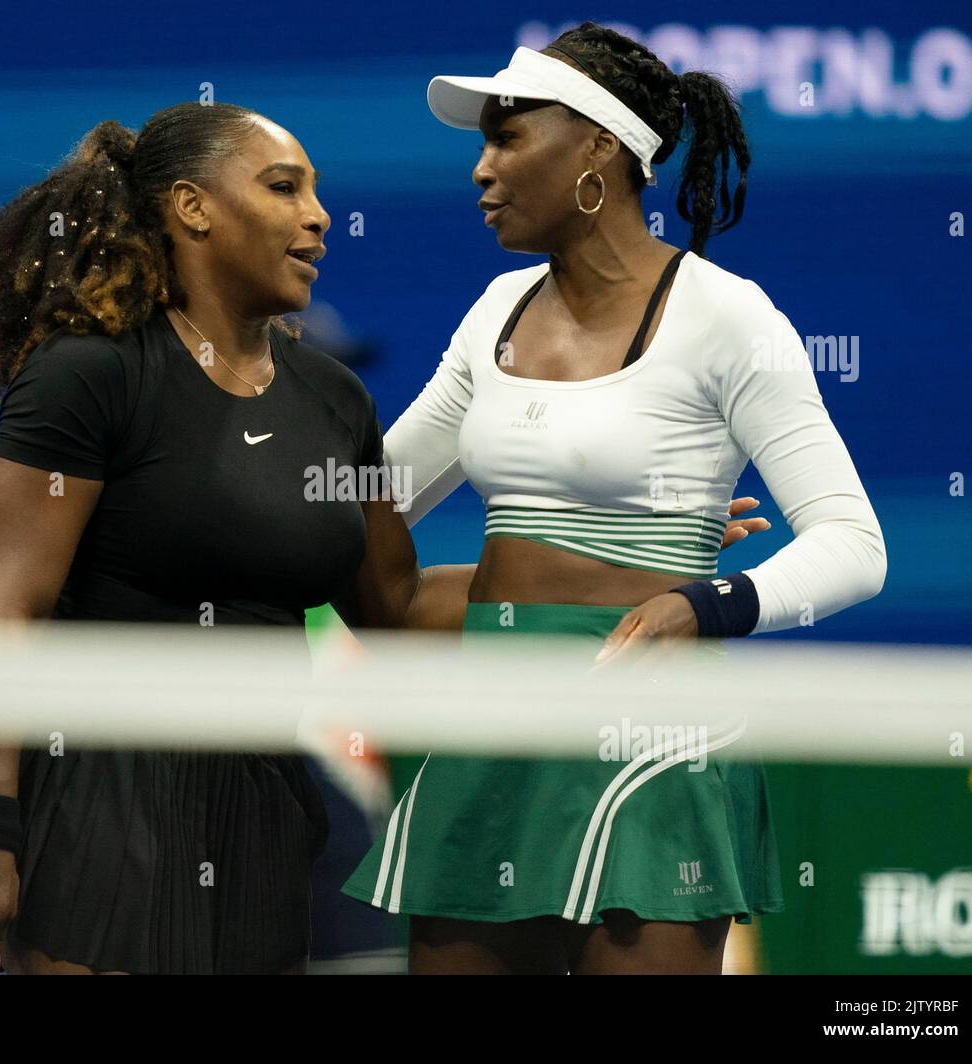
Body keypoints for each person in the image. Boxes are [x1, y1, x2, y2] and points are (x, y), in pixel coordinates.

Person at [0, 97, 770, 976]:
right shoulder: (88, 375)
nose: (318, 216)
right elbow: (5, 615)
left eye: (316, 193)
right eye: (283, 188)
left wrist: (638, 566)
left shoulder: (332, 402)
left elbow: (394, 601)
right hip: (100, 802)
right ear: (191, 207)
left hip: (262, 816)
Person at [341, 23, 887, 974]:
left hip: (654, 741)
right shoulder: (493, 312)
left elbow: (853, 542)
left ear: (599, 146)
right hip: (493, 725)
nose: (481, 168)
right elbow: (366, 497)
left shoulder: (730, 316)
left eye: (509, 137)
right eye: (483, 143)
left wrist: (698, 602)